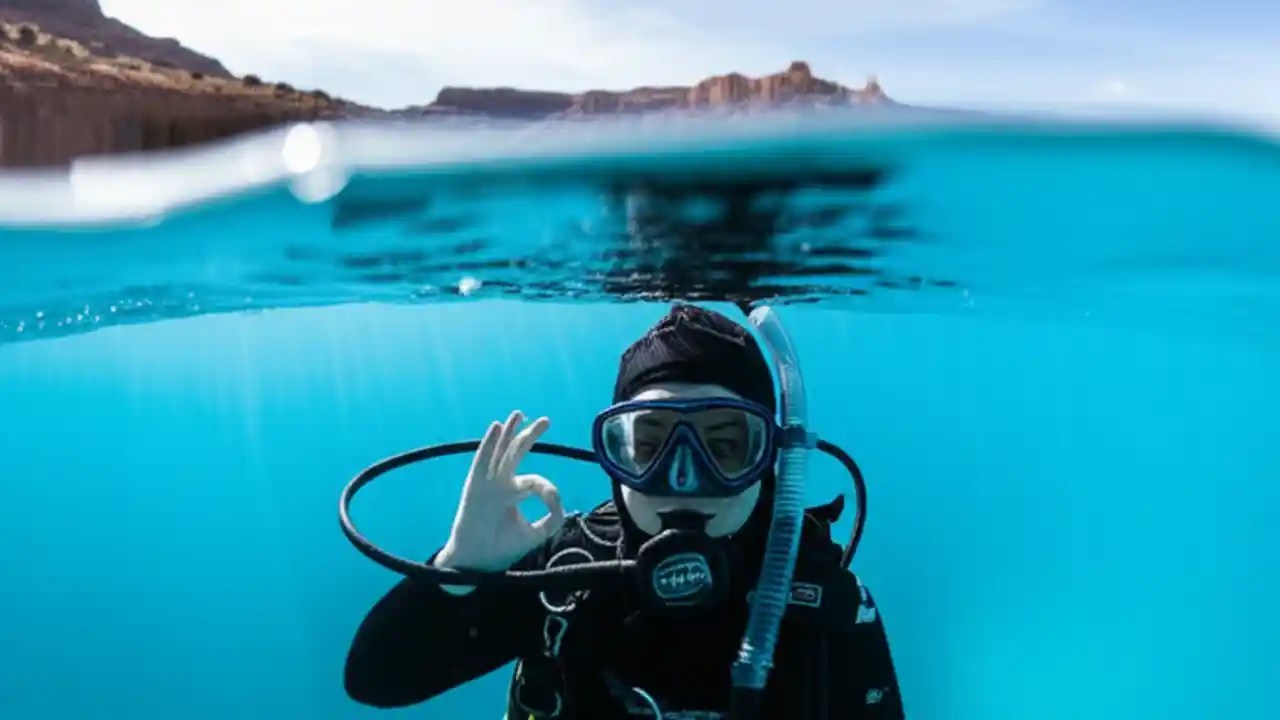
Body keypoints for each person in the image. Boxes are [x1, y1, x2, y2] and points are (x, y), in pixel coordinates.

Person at [343, 304, 906, 719]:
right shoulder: (564, 575)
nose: (684, 479)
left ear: (770, 462)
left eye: (726, 445)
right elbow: (375, 679)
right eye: (650, 445)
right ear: (614, 461)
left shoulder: (817, 598)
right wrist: (459, 571)